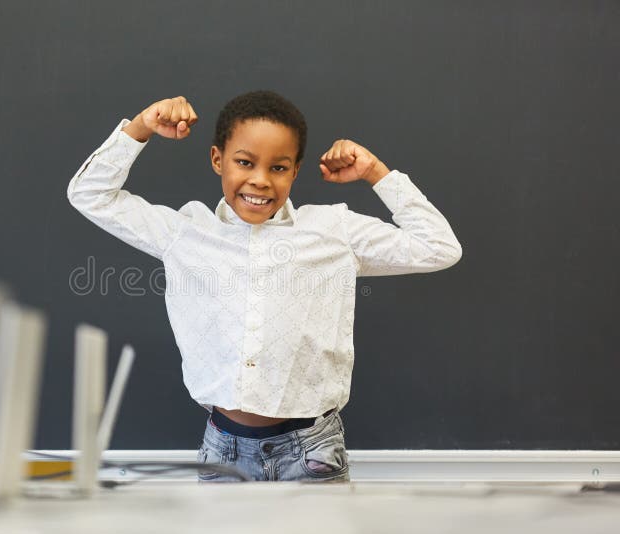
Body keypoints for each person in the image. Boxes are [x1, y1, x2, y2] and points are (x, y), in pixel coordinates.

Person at [67, 90, 462, 482]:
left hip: (312, 451)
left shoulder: (333, 231)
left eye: (278, 167)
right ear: (217, 159)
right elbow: (89, 194)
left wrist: (376, 172)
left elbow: (439, 247)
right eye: (244, 162)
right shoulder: (184, 232)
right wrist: (140, 128)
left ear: (295, 171)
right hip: (222, 451)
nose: (259, 180)